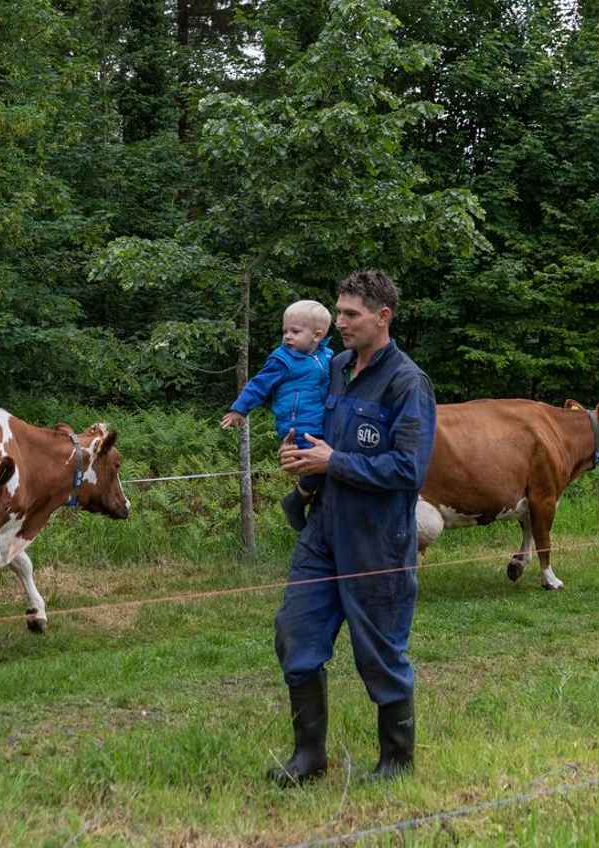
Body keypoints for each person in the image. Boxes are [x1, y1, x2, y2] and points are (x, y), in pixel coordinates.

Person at [267, 270, 436, 786]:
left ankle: (395, 762)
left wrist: (333, 462)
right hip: (322, 534)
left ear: (382, 317)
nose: (339, 322)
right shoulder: (335, 368)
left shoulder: (408, 383)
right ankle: (308, 757)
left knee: (380, 652)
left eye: (350, 314)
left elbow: (409, 470)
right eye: (338, 312)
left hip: (377, 541)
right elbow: (323, 442)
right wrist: (301, 456)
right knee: (296, 637)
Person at [221, 299, 334, 531]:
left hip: (322, 421)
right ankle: (296, 501)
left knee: (330, 464)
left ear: (317, 335)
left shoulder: (327, 357)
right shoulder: (283, 359)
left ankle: (305, 499)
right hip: (298, 424)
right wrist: (239, 408)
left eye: (295, 331)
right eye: (285, 331)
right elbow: (259, 385)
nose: (287, 336)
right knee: (318, 465)